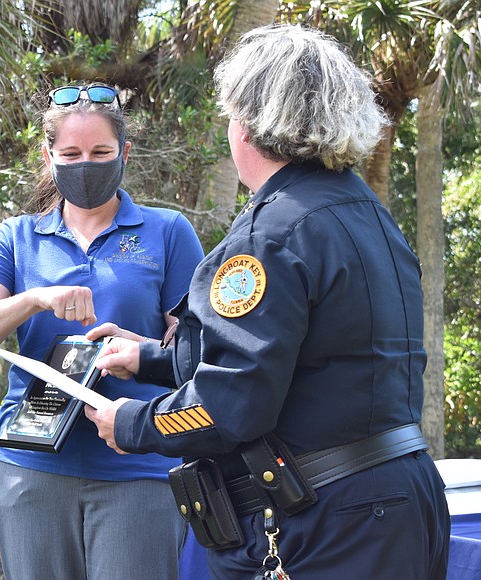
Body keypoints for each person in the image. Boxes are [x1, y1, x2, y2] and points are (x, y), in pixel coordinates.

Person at [85, 24, 451, 579]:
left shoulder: (271, 235)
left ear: (249, 126)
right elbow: (309, 361)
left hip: (323, 521)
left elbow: (230, 408)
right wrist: (151, 359)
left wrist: (133, 423)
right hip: (399, 497)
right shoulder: (367, 213)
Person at [0, 84, 205, 579]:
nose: (85, 164)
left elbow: (196, 351)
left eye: (100, 152)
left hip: (138, 466)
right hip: (33, 468)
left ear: (124, 153)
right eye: (70, 153)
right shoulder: (16, 237)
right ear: (49, 157)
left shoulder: (168, 231)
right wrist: (34, 298)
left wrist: (141, 349)